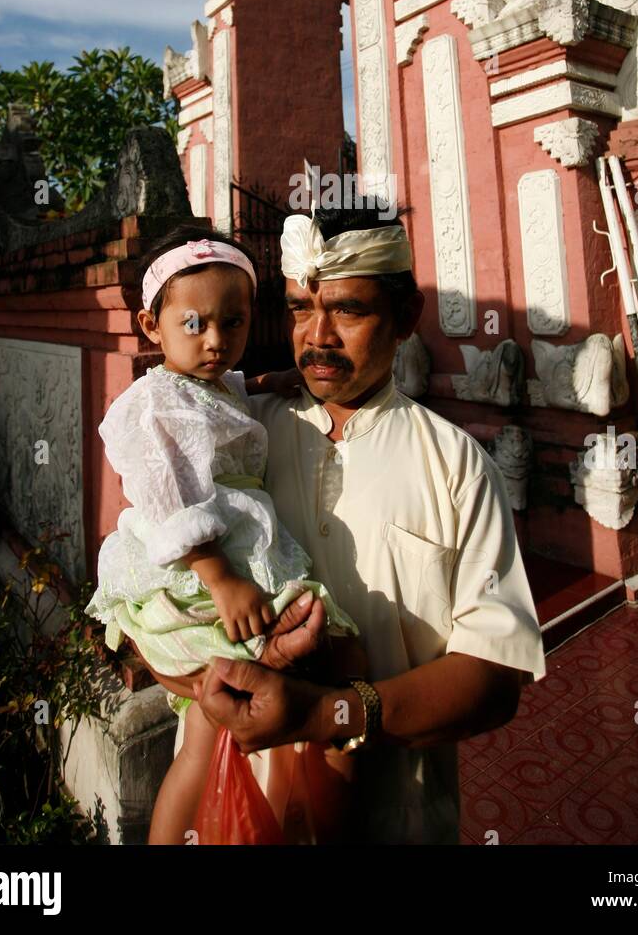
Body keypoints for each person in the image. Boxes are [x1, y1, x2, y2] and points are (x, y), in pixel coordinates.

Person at [153, 205, 547, 845]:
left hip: (397, 819)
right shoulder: (235, 437)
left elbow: (494, 678)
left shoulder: (457, 467)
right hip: (231, 808)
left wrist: (325, 713)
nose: (318, 337)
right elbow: (156, 571)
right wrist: (183, 670)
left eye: (350, 311)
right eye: (301, 309)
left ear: (405, 319)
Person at [85, 222, 360, 844]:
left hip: (223, 552)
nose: (216, 341)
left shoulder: (209, 382)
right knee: (258, 690)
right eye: (194, 324)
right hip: (196, 564)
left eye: (232, 324)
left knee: (207, 735)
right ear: (150, 326)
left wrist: (272, 383)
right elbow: (166, 498)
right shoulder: (152, 404)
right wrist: (222, 578)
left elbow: (234, 389)